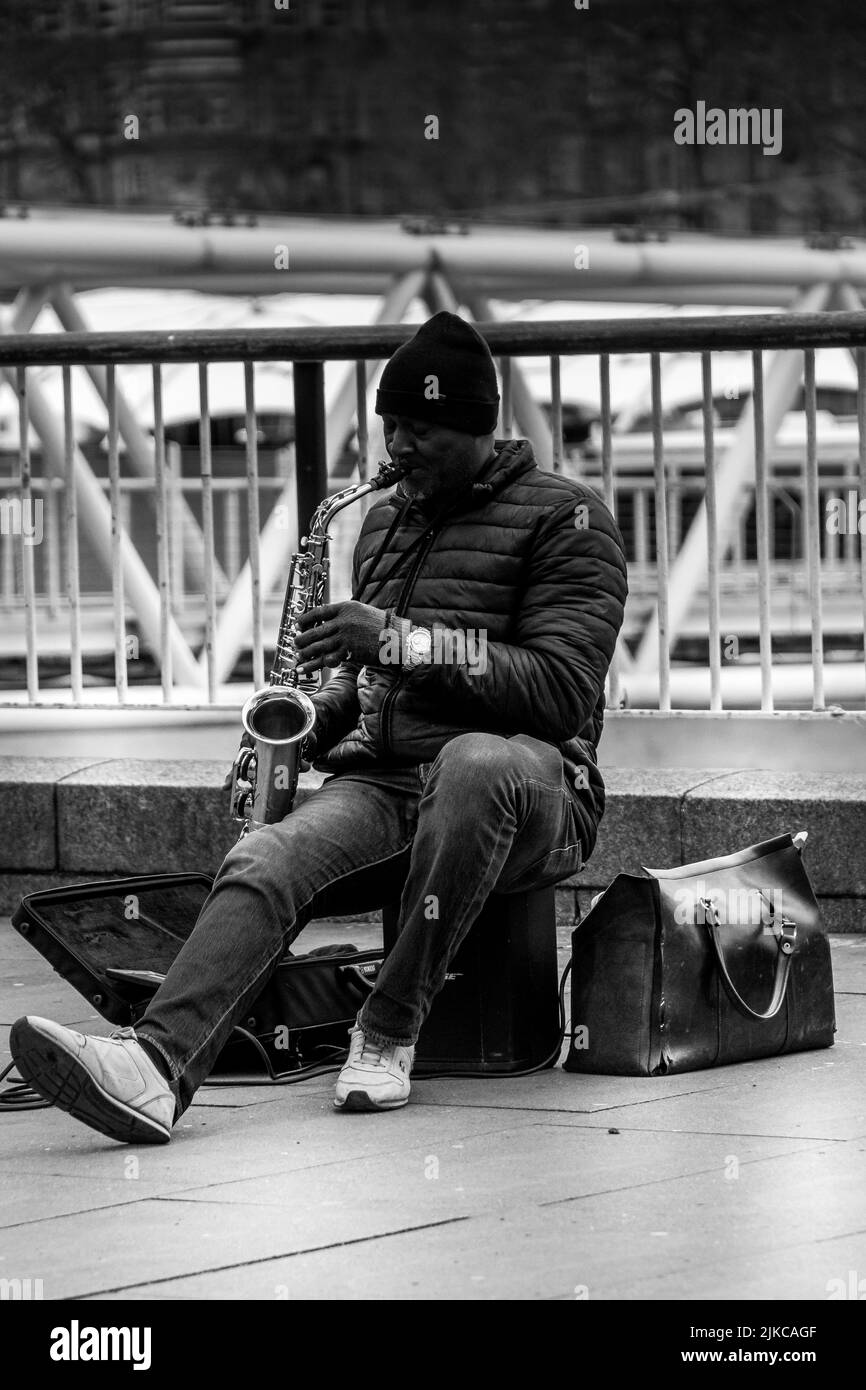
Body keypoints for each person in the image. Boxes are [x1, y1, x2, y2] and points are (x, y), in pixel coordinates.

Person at [10, 311, 628, 1144]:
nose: (398, 446)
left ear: (479, 426)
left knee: (476, 765)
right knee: (266, 855)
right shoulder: (383, 519)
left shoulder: (570, 521)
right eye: (391, 424)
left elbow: (557, 693)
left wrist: (405, 640)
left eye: (422, 429)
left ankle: (389, 1028)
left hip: (533, 790)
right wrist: (310, 721)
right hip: (394, 783)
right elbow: (365, 677)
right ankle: (155, 1067)